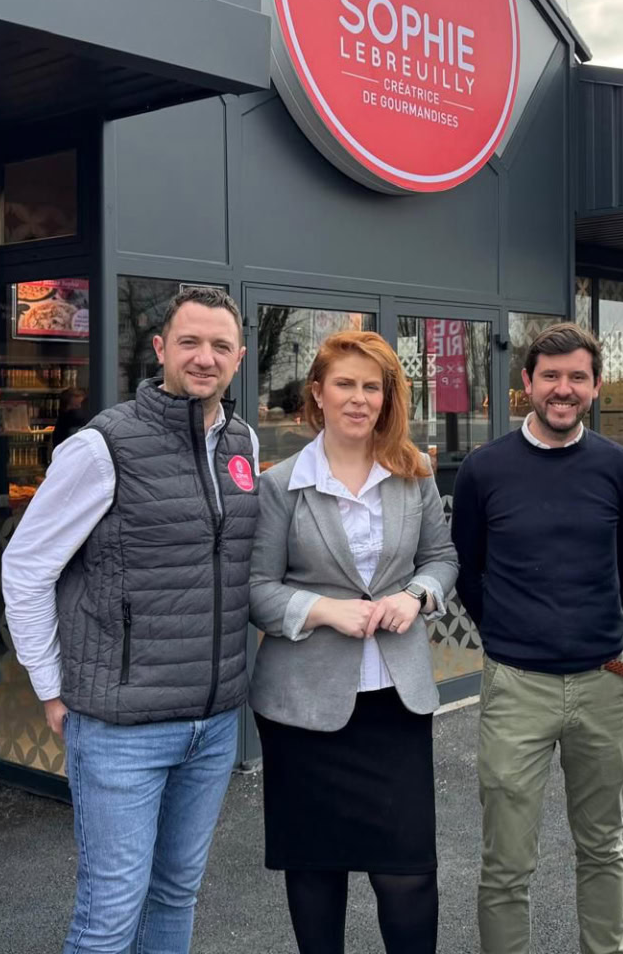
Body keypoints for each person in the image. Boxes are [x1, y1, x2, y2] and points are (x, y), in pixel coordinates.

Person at [2, 286, 257, 954]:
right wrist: (50, 685)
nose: (205, 357)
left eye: (220, 346)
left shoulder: (243, 442)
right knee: (110, 914)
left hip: (214, 723)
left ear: (240, 356)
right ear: (161, 349)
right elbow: (27, 567)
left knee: (176, 895)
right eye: (190, 342)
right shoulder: (102, 446)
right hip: (121, 730)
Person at [248, 330, 458, 954]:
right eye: (345, 383)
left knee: (408, 876)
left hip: (394, 703)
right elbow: (257, 588)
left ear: (388, 397)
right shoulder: (281, 484)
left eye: (373, 386)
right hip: (302, 709)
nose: (359, 398)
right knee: (315, 871)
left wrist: (414, 596)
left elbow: (443, 559)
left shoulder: (413, 473)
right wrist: (324, 611)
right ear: (318, 392)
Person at [452, 322, 623, 954]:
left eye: (577, 378)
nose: (564, 389)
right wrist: (516, 634)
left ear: (594, 387)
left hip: (604, 684)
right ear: (526, 383)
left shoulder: (618, 469)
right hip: (515, 688)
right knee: (505, 862)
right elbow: (469, 572)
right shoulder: (483, 470)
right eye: (551, 376)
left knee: (604, 847)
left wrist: (589, 629)